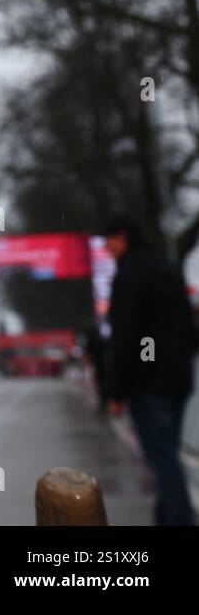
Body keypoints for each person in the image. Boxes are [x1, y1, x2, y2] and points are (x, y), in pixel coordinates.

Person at [101, 213, 198, 526]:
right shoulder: (168, 269)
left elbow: (126, 338)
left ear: (122, 238)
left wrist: (116, 391)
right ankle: (166, 516)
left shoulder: (129, 276)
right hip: (177, 377)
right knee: (166, 452)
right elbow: (187, 325)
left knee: (162, 458)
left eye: (109, 240)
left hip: (147, 381)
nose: (106, 248)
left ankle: (180, 519)